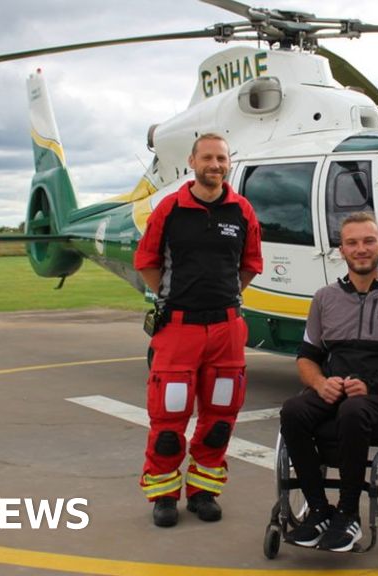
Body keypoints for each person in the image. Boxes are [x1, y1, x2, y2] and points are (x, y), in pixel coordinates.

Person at [279, 212, 378, 552]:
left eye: (368, 241)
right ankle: (319, 509)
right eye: (352, 242)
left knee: (353, 410)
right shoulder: (324, 298)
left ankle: (348, 513)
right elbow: (306, 357)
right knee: (292, 410)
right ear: (341, 250)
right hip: (333, 388)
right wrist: (320, 383)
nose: (361, 249)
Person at [133, 133, 263, 527]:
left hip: (226, 328)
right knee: (169, 417)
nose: (215, 165)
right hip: (178, 329)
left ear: (229, 163)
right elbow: (147, 262)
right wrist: (177, 297)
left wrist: (224, 298)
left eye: (221, 158)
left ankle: (204, 491)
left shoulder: (242, 211)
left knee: (220, 416)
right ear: (192, 161)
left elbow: (250, 264)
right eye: (207, 157)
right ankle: (164, 495)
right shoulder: (170, 209)